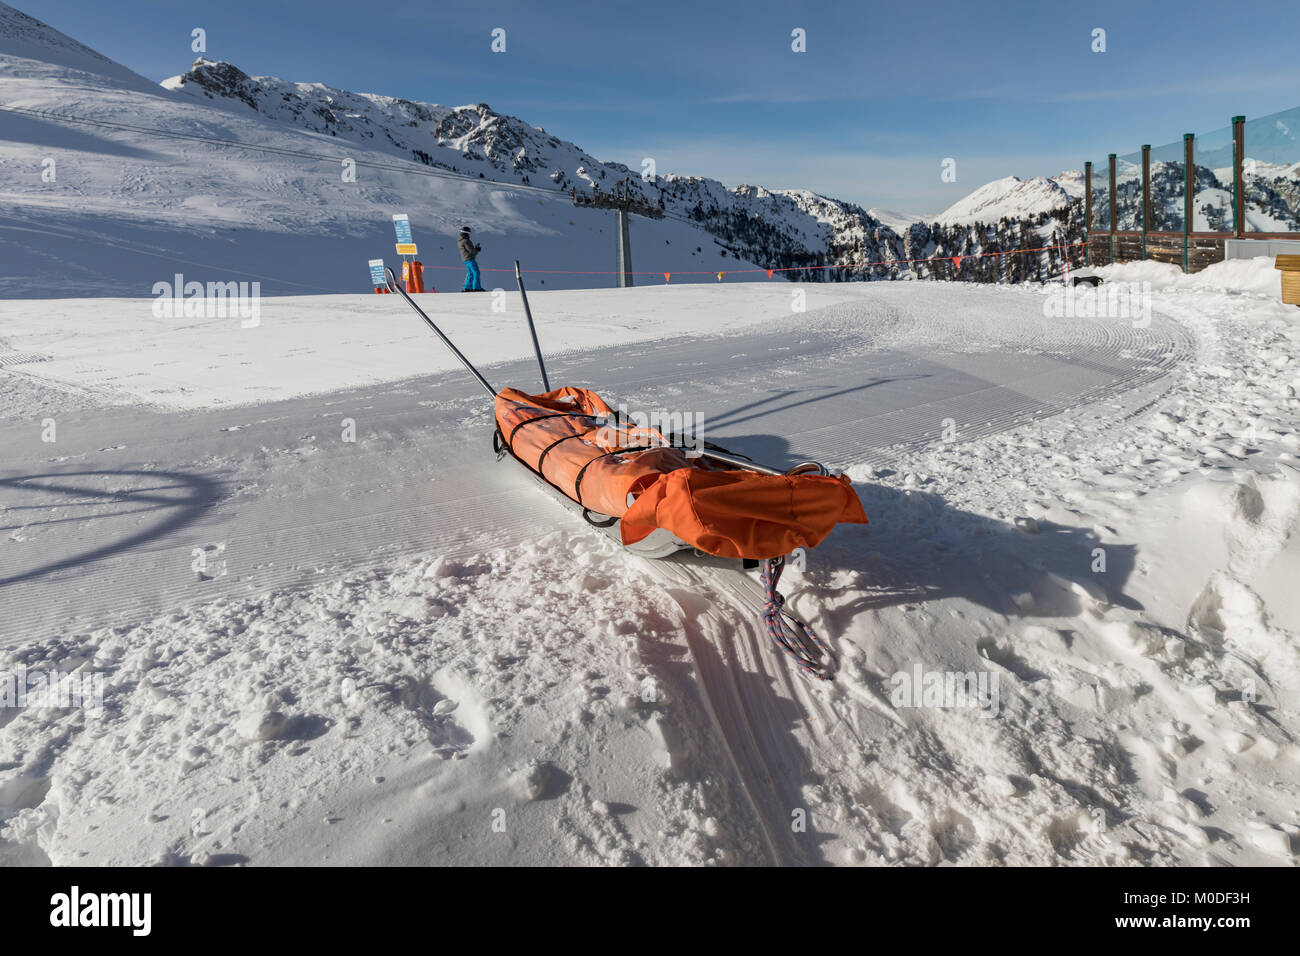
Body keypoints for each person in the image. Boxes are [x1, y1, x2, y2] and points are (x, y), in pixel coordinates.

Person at [458, 226, 484, 292]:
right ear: (465, 234)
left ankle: (467, 287)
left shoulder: (460, 241)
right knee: (476, 272)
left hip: (465, 260)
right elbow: (472, 252)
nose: (469, 235)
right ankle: (476, 288)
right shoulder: (466, 241)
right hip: (470, 259)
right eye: (469, 233)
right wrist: (477, 249)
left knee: (470, 273)